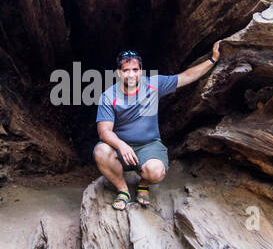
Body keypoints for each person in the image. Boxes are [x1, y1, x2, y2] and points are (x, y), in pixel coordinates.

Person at [94, 43, 221, 210]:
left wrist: (212, 60)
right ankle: (123, 190)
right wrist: (121, 145)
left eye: (135, 69)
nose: (131, 74)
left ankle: (143, 185)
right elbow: (104, 132)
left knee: (156, 172)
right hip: (121, 147)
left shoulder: (153, 84)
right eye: (126, 70)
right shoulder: (108, 96)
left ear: (141, 70)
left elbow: (186, 77)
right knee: (100, 151)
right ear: (119, 73)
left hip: (149, 145)